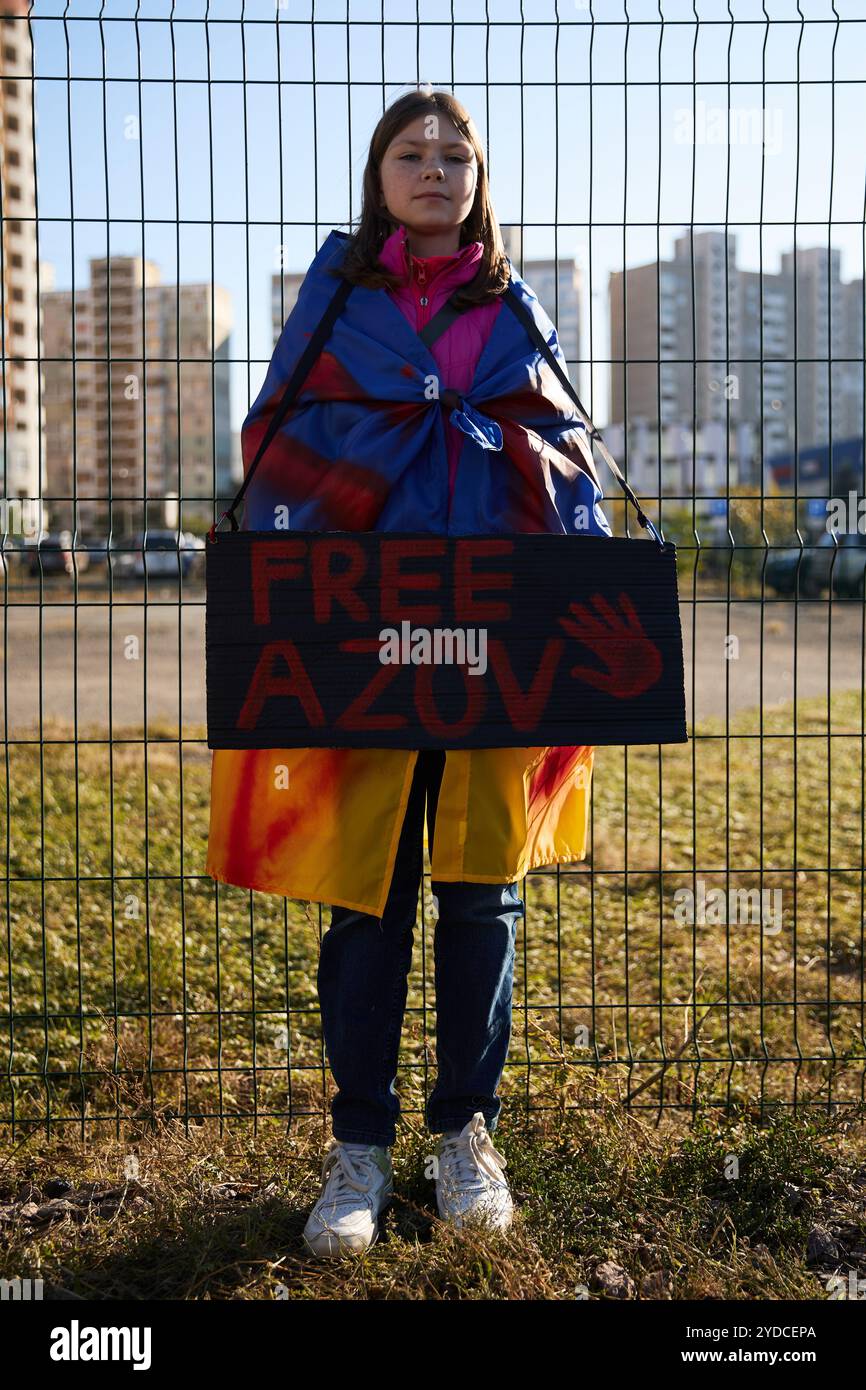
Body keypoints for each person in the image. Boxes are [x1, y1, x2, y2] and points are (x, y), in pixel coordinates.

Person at [205, 88, 613, 1258]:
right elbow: (273, 445)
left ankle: (464, 1136)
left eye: (455, 154)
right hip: (359, 647)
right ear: (378, 173)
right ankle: (359, 1148)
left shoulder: (516, 310)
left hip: (489, 648)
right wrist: (391, 446)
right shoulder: (338, 301)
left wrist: (479, 439)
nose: (434, 169)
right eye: (410, 152)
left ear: (479, 180)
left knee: (483, 889)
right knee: (362, 895)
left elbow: (572, 463)